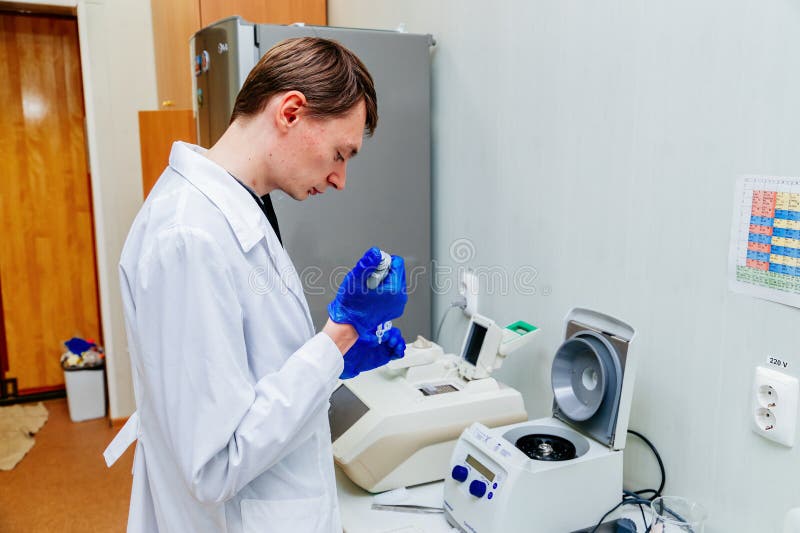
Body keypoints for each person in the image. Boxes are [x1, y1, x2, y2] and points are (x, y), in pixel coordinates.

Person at [103, 38, 408, 533]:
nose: (340, 179)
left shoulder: (241, 209)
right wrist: (339, 335)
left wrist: (334, 364)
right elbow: (215, 463)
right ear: (290, 111)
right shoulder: (190, 236)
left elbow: (248, 376)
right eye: (340, 153)